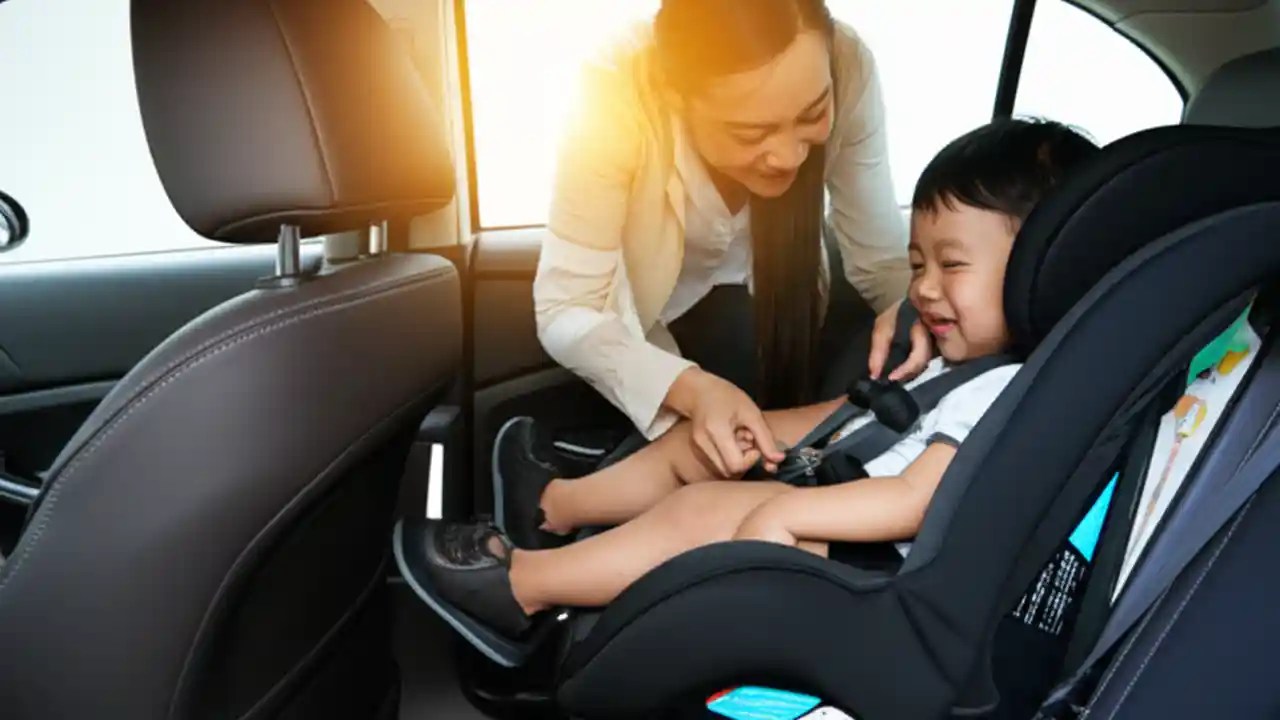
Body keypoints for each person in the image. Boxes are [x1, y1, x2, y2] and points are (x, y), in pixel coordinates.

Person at [402, 118, 1101, 649]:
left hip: (875, 557)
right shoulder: (960, 361)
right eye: (918, 263)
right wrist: (766, 434)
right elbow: (871, 420)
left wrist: (789, 511)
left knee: (705, 508)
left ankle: (521, 590)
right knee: (701, 445)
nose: (922, 287)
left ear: (1048, 266)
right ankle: (553, 504)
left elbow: (915, 502)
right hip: (840, 491)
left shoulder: (1011, 389)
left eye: (952, 266)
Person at [535, 0, 918, 480]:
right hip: (642, 338)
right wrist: (691, 390)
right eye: (750, 133)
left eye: (813, 114)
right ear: (676, 98)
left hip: (782, 322)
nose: (787, 155)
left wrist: (916, 311)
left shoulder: (845, 61)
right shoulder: (616, 87)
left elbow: (881, 258)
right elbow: (567, 306)